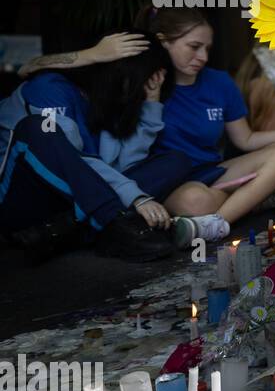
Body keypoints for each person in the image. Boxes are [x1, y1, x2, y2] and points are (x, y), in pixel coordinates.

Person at [28, 8, 275, 243]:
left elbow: (246, 139)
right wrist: (94, 56)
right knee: (197, 202)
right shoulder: (140, 83)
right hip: (167, 181)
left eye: (207, 48)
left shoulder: (219, 82)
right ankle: (249, 200)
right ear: (163, 43)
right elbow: (30, 67)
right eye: (194, 47)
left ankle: (215, 224)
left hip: (211, 170)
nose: (203, 57)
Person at [0, 38, 189, 261]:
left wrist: (151, 103)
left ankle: (62, 232)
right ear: (122, 70)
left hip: (74, 201)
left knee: (176, 161)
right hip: (20, 199)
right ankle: (109, 224)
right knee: (40, 127)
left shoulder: (106, 103)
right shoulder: (49, 87)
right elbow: (73, 162)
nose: (139, 89)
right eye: (142, 80)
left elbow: (122, 168)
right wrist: (136, 199)